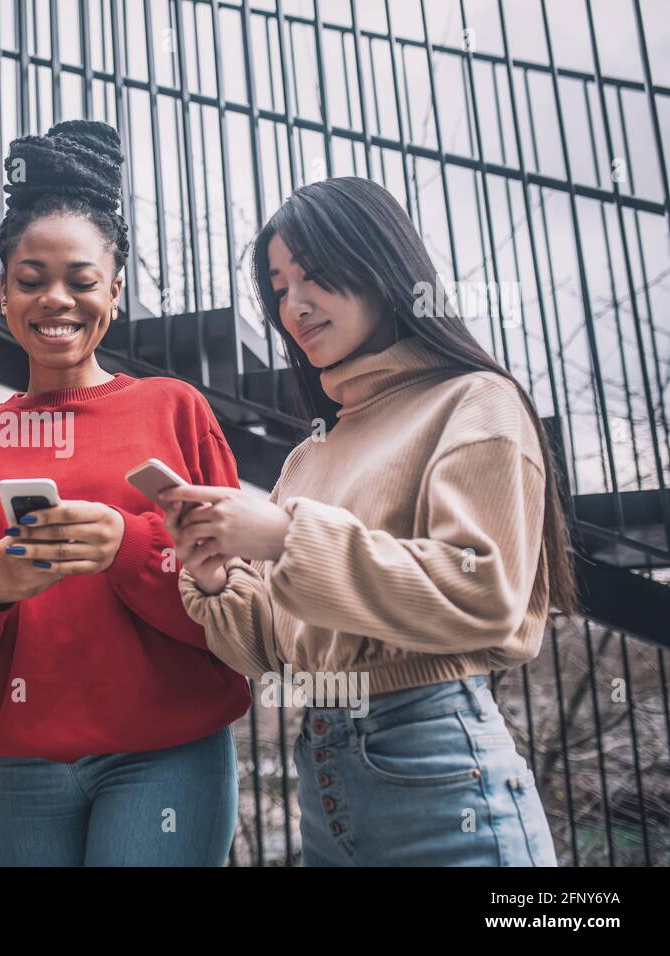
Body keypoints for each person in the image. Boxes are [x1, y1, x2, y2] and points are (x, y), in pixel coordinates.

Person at [166, 175, 572, 866]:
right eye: (278, 285)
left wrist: (285, 537)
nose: (294, 304)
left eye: (315, 275)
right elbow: (276, 660)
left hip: (436, 765)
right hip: (324, 777)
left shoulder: (473, 403)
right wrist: (216, 581)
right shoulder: (310, 455)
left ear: (382, 268)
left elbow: (483, 591)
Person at [0, 120, 251, 867]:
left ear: (117, 290)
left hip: (167, 754)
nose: (55, 300)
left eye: (81, 280)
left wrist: (128, 548)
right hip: (26, 767)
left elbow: (239, 609)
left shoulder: (174, 409)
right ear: (2, 291)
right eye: (30, 281)